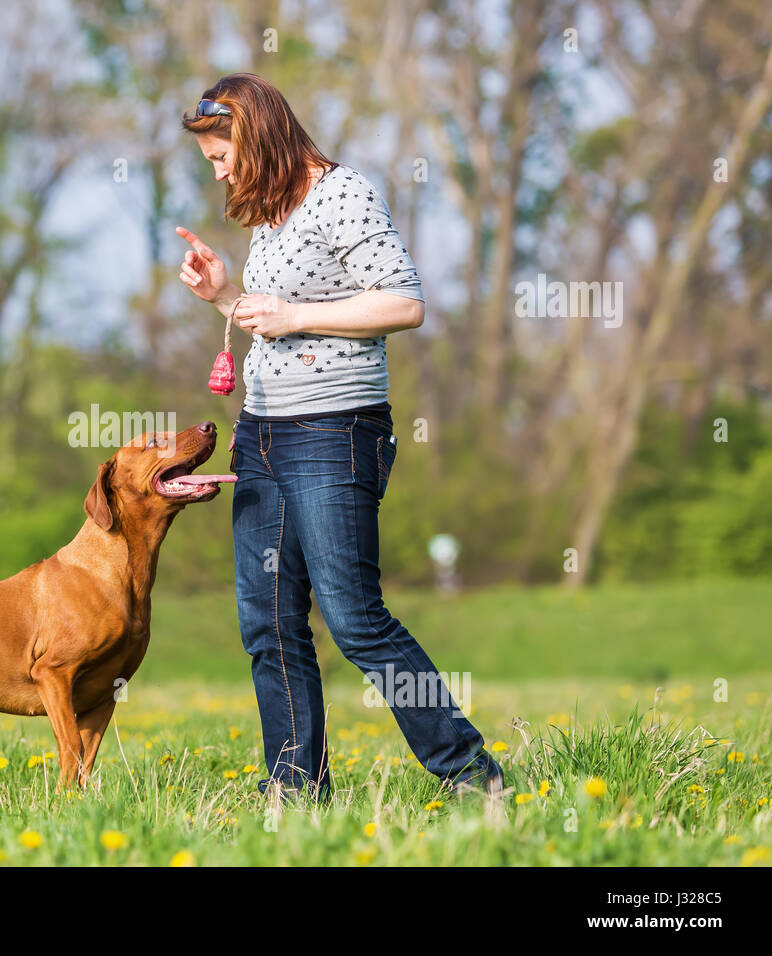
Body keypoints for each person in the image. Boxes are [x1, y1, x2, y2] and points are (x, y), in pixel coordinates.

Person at [175, 73, 504, 804]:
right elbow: (279, 317)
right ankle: (295, 789)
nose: (219, 171)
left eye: (221, 155)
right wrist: (224, 296)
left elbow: (404, 304)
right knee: (269, 624)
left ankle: (473, 776)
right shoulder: (272, 215)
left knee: (355, 619)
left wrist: (291, 315)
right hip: (262, 431)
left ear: (254, 134)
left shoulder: (343, 192)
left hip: (333, 431)